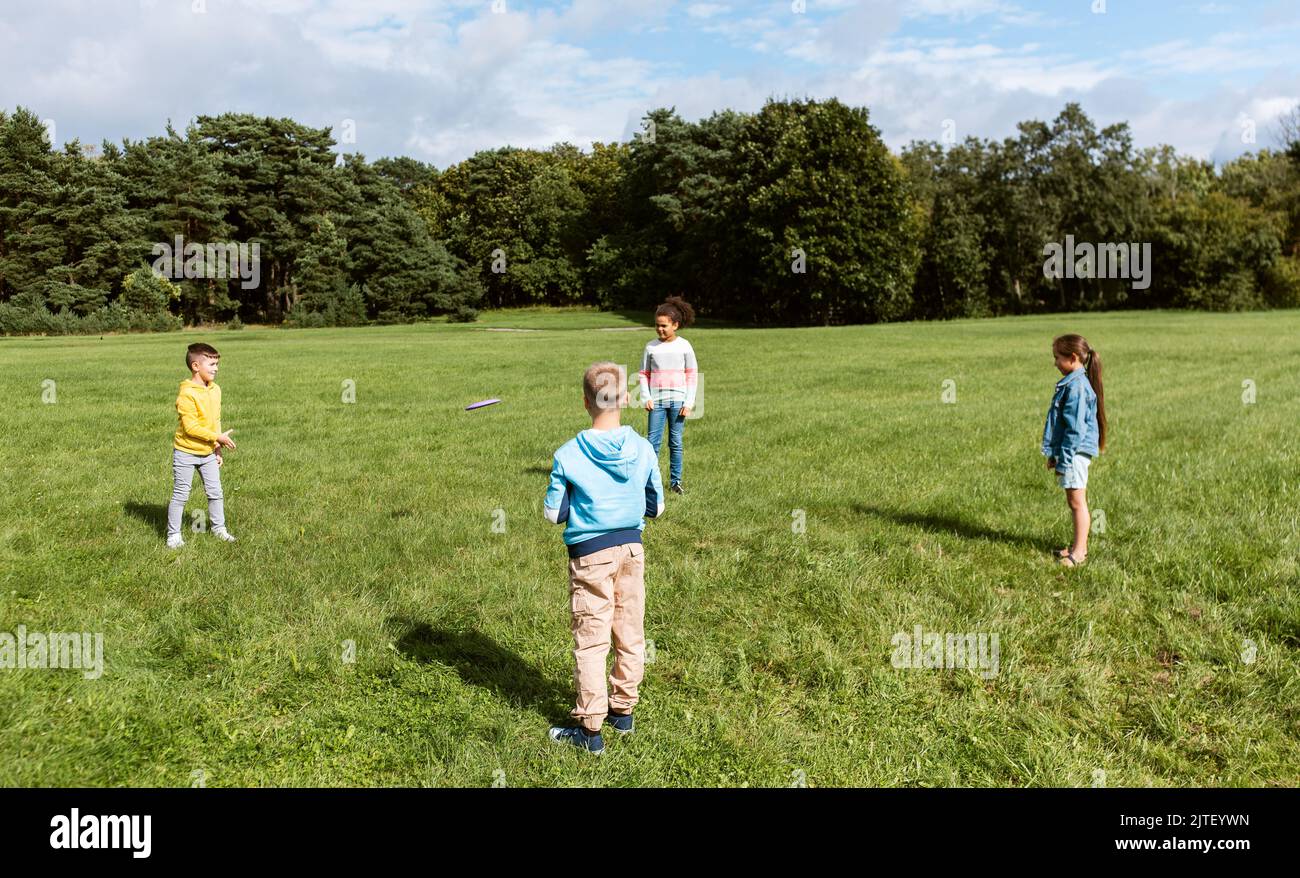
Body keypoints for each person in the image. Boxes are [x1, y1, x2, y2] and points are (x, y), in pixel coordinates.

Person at [543, 362, 665, 754]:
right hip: (632, 550)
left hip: (590, 555)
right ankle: (623, 713)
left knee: (591, 639)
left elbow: (553, 513)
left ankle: (590, 731)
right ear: (626, 398)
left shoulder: (567, 454)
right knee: (630, 629)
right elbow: (656, 507)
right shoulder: (644, 448)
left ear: (585, 402)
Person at [1042, 334, 1107, 567]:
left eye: (1057, 358)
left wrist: (1065, 460)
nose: (1055, 363)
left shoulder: (1077, 387)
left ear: (1072, 357)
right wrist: (1055, 454)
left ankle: (1079, 553)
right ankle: (1077, 547)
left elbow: (1075, 430)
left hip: (1076, 453)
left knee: (1077, 502)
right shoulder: (1074, 383)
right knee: (1074, 501)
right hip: (1071, 451)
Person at [167, 342, 237, 548]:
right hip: (185, 452)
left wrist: (217, 447)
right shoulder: (186, 394)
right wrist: (218, 437)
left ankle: (219, 529)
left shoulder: (216, 390)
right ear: (196, 366)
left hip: (208, 453)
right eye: (211, 364)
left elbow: (216, 419)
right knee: (181, 494)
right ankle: (173, 535)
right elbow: (191, 428)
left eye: (217, 364)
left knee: (216, 492)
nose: (216, 368)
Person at [639, 296, 698, 495]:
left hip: (678, 402)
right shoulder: (650, 347)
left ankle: (676, 482)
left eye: (664, 326)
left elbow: (692, 376)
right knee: (652, 443)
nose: (660, 329)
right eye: (657, 325)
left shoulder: (685, 346)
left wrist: (689, 402)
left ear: (675, 325)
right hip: (655, 402)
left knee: (675, 442)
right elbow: (643, 374)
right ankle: (650, 482)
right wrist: (646, 396)